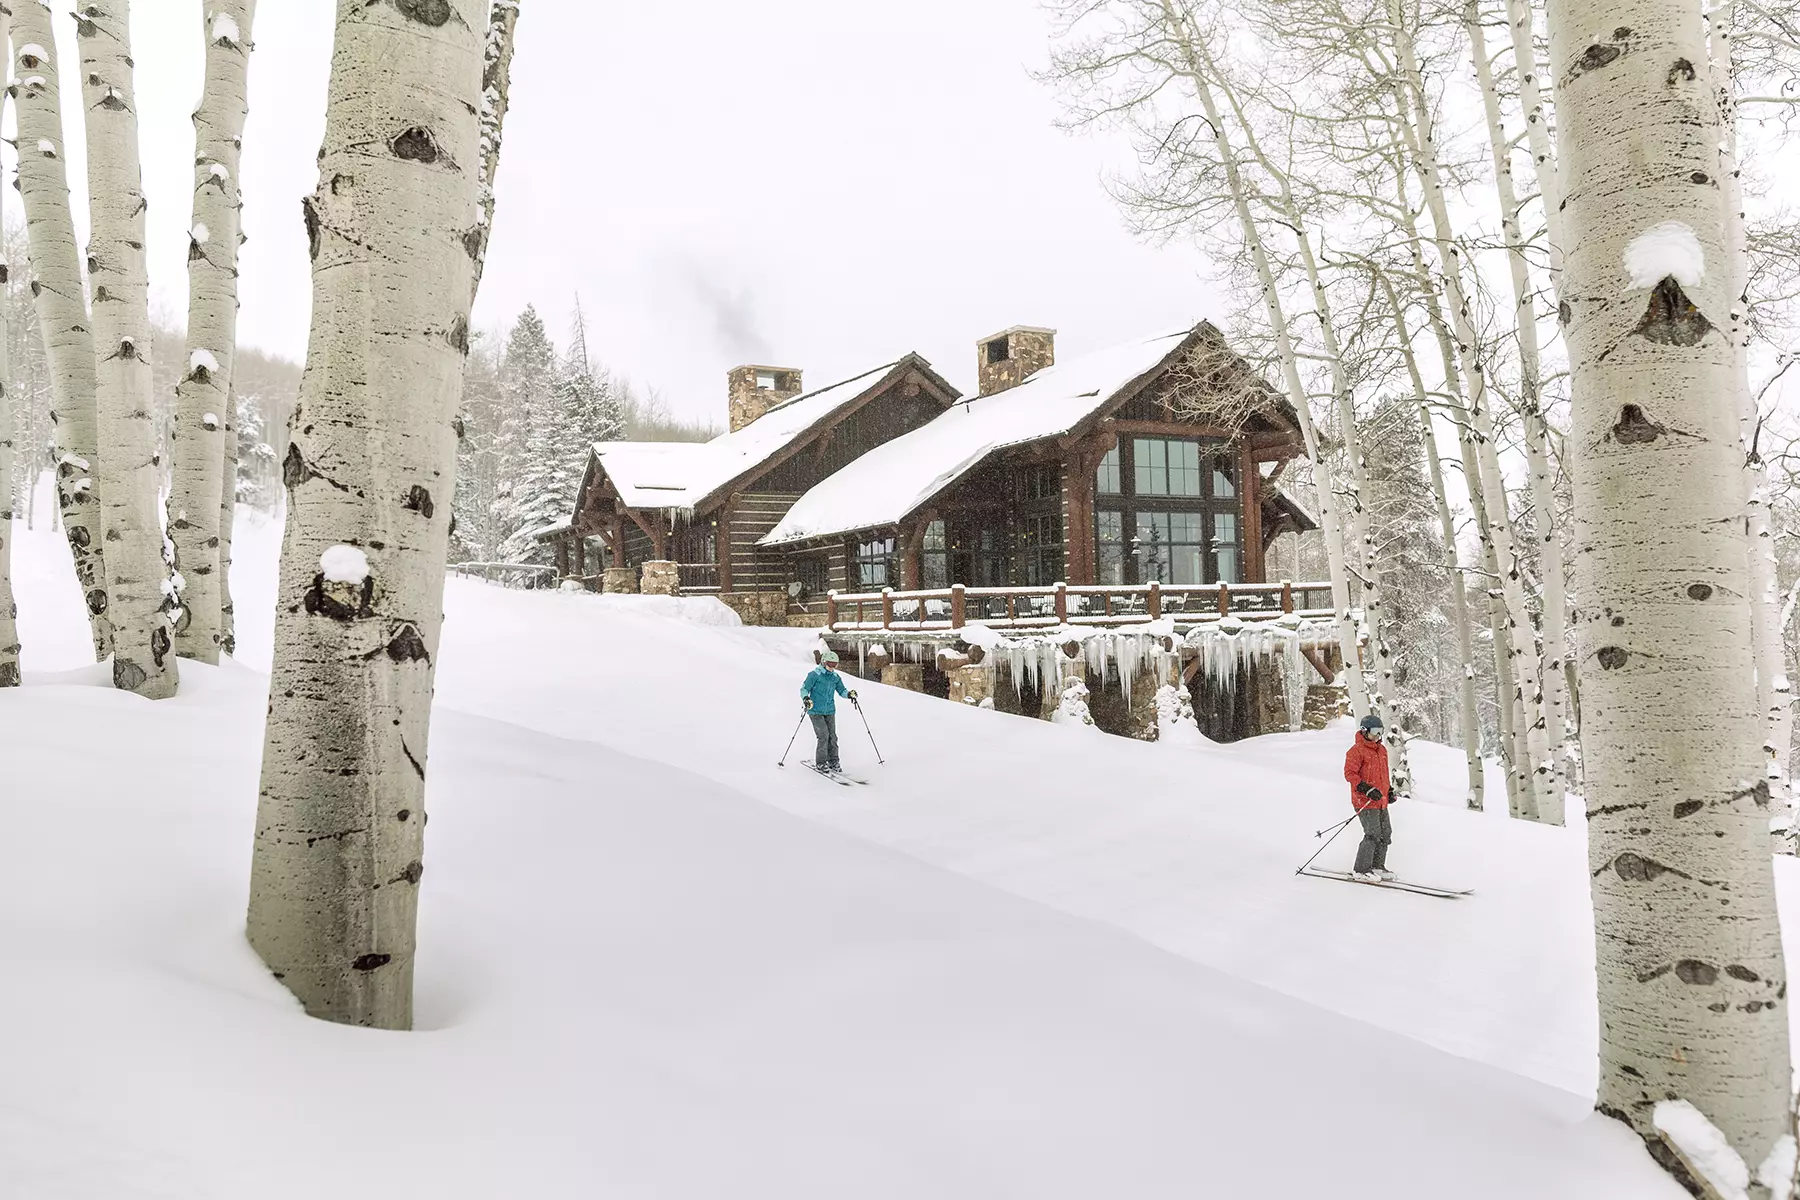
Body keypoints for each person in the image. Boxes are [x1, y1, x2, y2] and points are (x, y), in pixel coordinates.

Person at [1343, 713, 1394, 882]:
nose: (1377, 735)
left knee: (1385, 833)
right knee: (1372, 834)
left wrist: (1389, 791)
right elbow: (1350, 774)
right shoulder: (1356, 751)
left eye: (1380, 731)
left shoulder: (1382, 750)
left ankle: (1377, 867)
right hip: (1364, 800)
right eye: (1374, 731)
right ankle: (1361, 870)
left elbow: (1383, 775)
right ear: (1364, 731)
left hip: (1380, 801)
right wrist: (1366, 788)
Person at [801, 651, 856, 773]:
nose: (832, 667)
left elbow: (841, 690)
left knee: (833, 737)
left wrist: (849, 694)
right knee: (823, 736)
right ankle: (821, 763)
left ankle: (833, 761)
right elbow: (804, 689)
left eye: (835, 665)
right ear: (823, 662)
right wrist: (806, 698)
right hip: (815, 710)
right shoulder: (814, 675)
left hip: (830, 710)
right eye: (830, 664)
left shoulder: (835, 677)